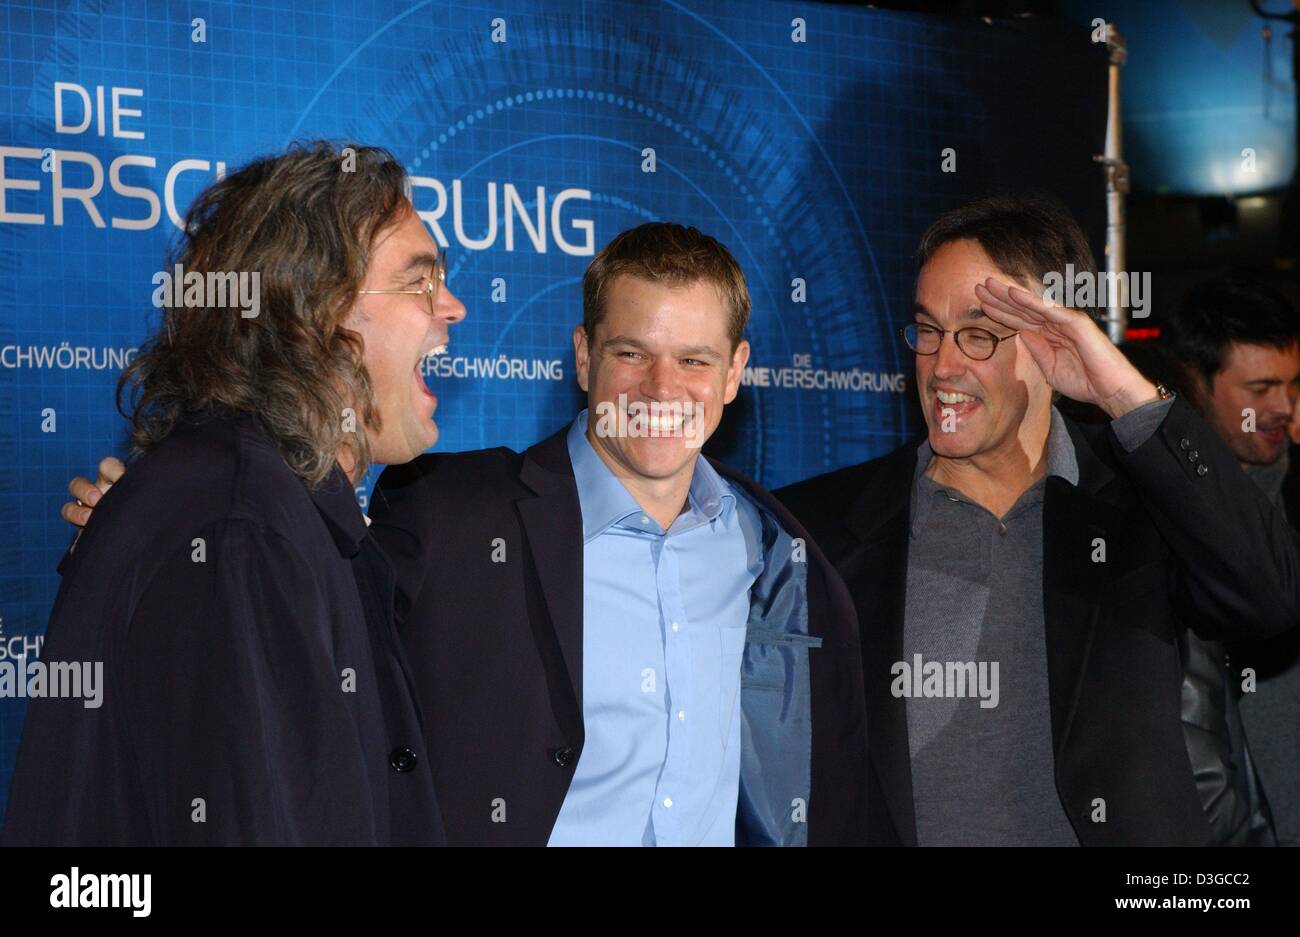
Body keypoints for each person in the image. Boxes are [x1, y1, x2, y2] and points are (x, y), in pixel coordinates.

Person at [58, 223, 869, 846]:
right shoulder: (450, 510)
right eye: (632, 352)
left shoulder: (776, 553)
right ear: (584, 358)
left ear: (735, 373)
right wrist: (160, 522)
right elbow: (294, 602)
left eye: (695, 360)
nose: (663, 388)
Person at [776, 195, 1300, 846]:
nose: (943, 366)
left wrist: (1121, 392)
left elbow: (1269, 598)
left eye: (977, 334)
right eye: (929, 331)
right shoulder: (818, 528)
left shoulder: (1148, 511)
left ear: (1052, 340)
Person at [4, 142, 465, 845]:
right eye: (420, 282)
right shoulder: (240, 530)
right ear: (313, 312)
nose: (453, 308)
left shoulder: (254, 508)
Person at [1161, 275, 1300, 845]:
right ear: (1197, 383)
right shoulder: (1162, 503)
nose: (1282, 409)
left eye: (1293, 386)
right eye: (1260, 389)